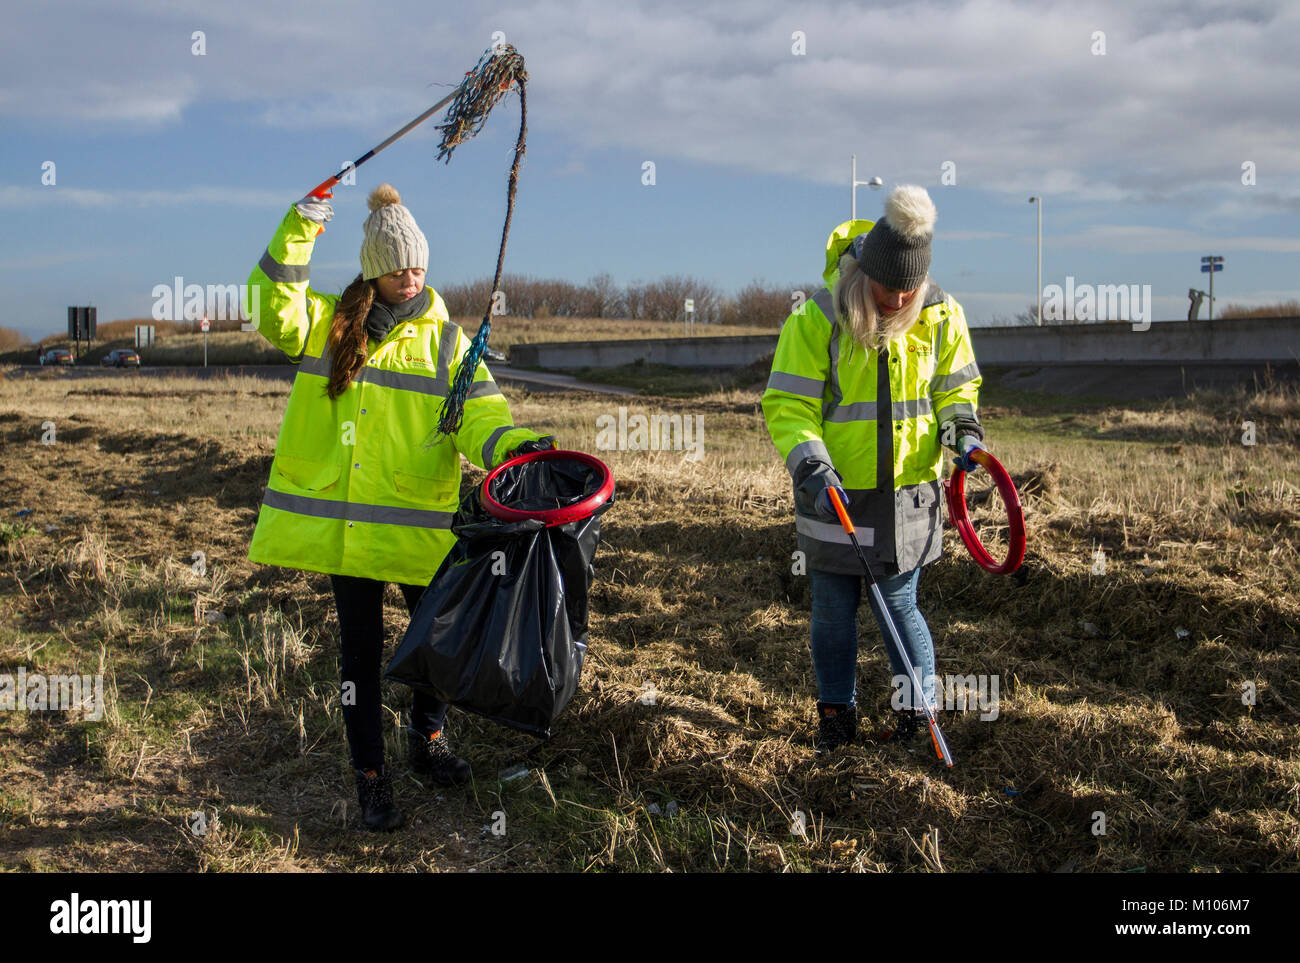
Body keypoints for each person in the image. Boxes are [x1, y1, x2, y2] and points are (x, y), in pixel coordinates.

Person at [245, 183, 554, 830]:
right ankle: (371, 778)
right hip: (350, 532)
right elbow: (272, 305)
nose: (411, 274)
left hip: (419, 529)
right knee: (358, 659)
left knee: (436, 645)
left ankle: (428, 739)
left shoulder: (447, 340)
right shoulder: (327, 326)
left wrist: (517, 447)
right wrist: (297, 228)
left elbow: (481, 413)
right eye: (397, 264)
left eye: (418, 263)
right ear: (374, 268)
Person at [761, 184, 987, 756]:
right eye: (888, 288)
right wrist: (811, 466)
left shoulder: (940, 314)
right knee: (833, 609)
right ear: (865, 274)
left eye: (909, 291)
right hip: (831, 491)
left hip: (909, 494)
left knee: (900, 606)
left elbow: (955, 391)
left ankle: (917, 712)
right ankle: (837, 716)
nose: (897, 300)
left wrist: (963, 432)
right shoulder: (818, 316)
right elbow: (789, 404)